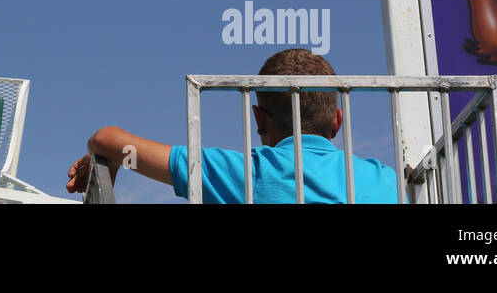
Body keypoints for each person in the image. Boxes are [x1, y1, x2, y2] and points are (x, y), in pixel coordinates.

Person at [66, 48, 399, 203]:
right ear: (337, 121)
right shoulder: (387, 182)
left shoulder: (245, 175)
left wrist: (105, 161)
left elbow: (107, 139)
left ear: (258, 119)